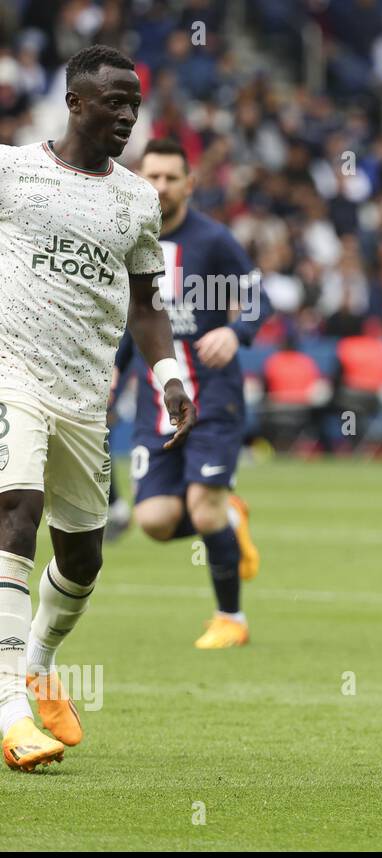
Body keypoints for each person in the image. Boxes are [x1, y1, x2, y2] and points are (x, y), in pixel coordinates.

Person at [0, 45, 196, 771]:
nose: (128, 114)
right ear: (76, 102)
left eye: (135, 104)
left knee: (82, 558)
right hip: (10, 372)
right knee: (14, 512)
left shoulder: (136, 198)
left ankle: (37, 660)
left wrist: (171, 376)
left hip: (86, 394)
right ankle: (10, 712)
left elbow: (147, 307)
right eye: (115, 101)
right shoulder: (12, 170)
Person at [113, 137, 265, 649]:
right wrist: (112, 370)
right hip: (153, 404)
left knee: (200, 508)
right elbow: (126, 315)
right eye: (151, 176)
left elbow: (257, 297)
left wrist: (235, 332)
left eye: (170, 178)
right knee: (154, 521)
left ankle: (231, 619)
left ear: (189, 184)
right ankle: (228, 517)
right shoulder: (127, 238)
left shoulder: (214, 241)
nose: (159, 186)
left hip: (213, 398)